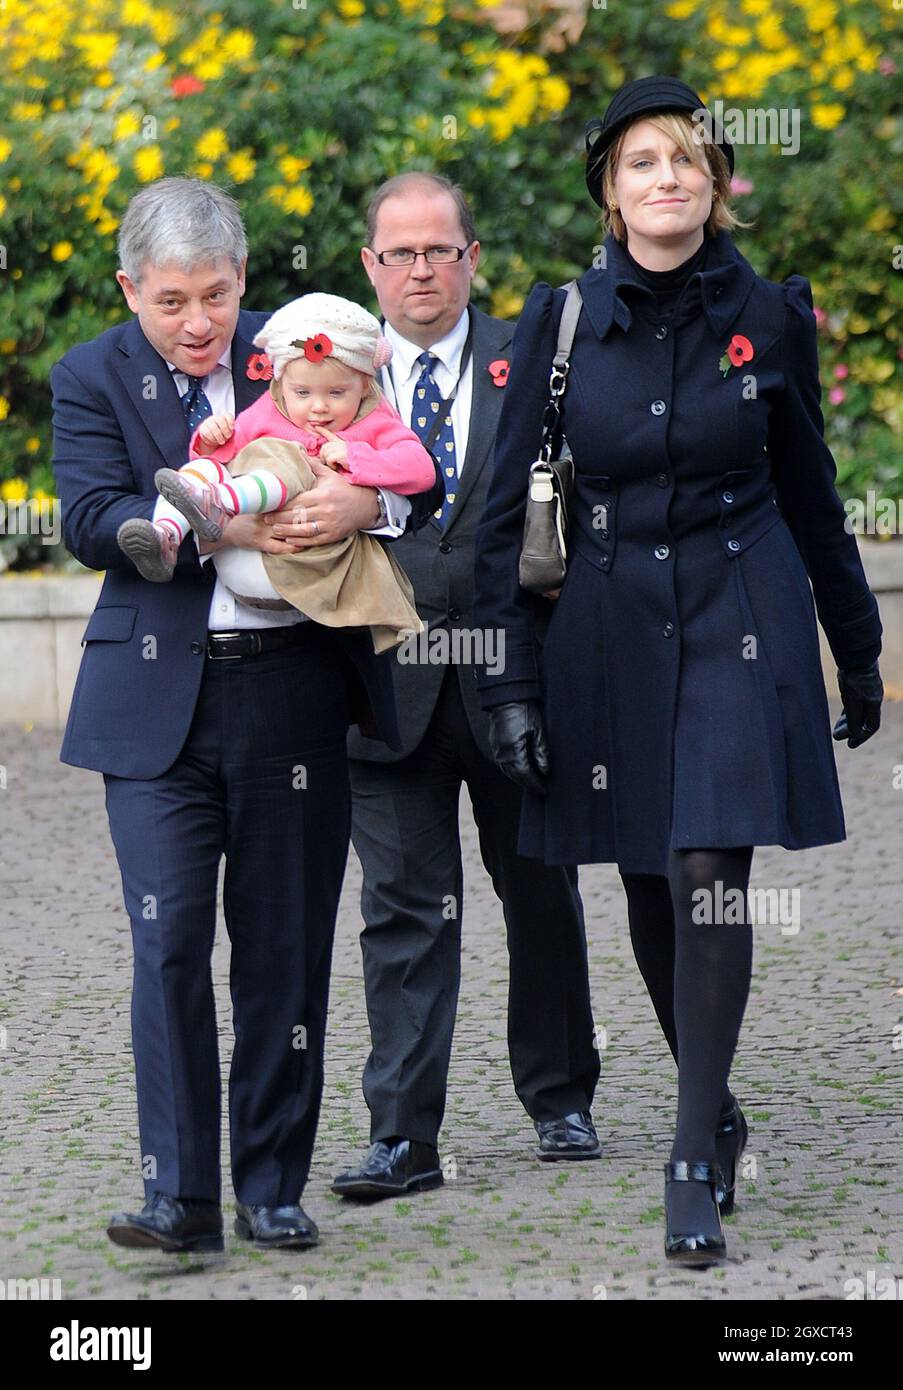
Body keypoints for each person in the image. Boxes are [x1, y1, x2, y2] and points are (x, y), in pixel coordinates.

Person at [473, 76, 883, 1265]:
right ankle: (717, 1099)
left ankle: (691, 1154)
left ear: (717, 184)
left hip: (739, 604)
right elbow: (507, 519)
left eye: (689, 161)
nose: (669, 178)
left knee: (709, 860)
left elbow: (810, 490)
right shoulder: (556, 323)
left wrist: (855, 647)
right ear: (610, 191)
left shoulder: (769, 313)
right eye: (643, 162)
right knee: (652, 877)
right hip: (605, 621)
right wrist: (505, 680)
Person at [51, 177, 436, 1252]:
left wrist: (370, 499)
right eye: (170, 301)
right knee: (166, 943)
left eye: (214, 296)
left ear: (244, 279)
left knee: (284, 946)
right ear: (131, 289)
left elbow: (416, 466)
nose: (197, 323)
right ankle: (178, 1196)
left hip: (292, 693)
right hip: (152, 704)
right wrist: (211, 528)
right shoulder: (90, 373)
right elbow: (88, 515)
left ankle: (271, 1184)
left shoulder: (310, 343)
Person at [332, 173, 601, 1203]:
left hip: (513, 679)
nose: (421, 270)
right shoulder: (332, 377)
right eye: (398, 253)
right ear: (370, 268)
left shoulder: (529, 361)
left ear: (472, 258)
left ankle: (562, 1095)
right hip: (382, 689)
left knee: (540, 891)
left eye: (440, 249)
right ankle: (403, 1135)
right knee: (402, 912)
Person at [117, 292, 435, 651]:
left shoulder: (374, 421)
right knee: (204, 468)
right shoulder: (270, 409)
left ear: (364, 386)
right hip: (241, 557)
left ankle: (218, 503)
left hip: (307, 569)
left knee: (285, 461)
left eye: (336, 393)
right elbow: (229, 454)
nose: (318, 407)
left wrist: (357, 459)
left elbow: (422, 470)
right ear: (280, 384)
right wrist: (209, 441)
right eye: (302, 392)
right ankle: (167, 535)